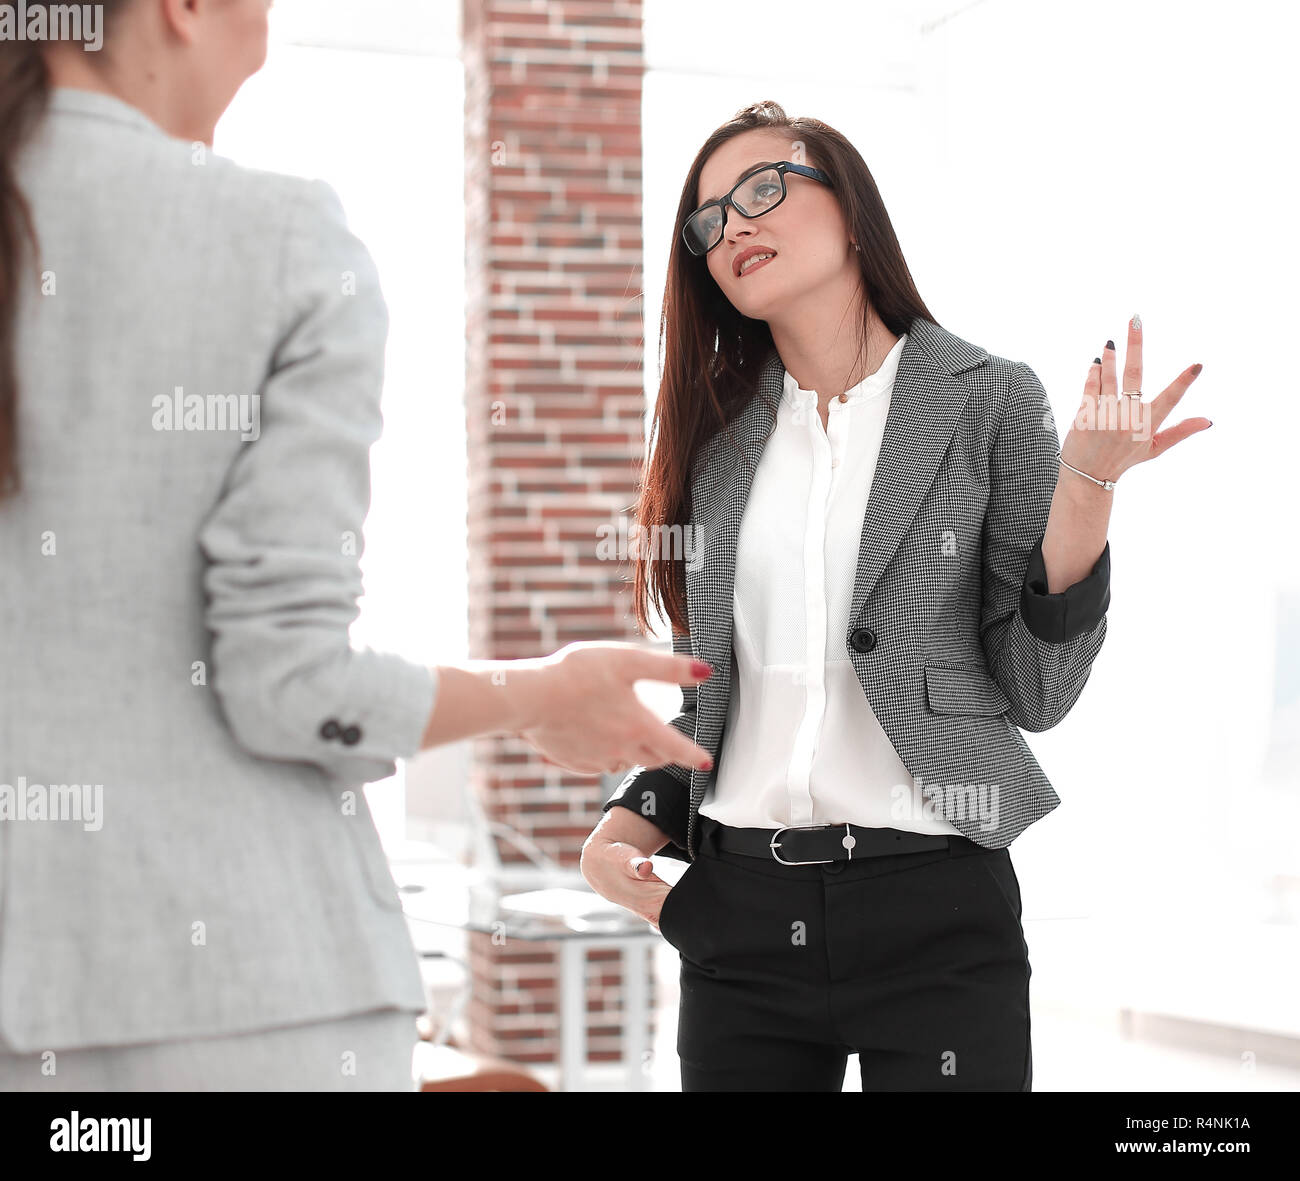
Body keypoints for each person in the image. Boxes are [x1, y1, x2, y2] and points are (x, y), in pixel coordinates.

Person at [0, 0, 713, 1091]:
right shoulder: (278, 240)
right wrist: (540, 690)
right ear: (183, 10)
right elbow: (284, 681)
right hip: (246, 988)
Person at [581, 100, 1211, 1091]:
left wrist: (1086, 484)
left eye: (762, 188)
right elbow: (716, 691)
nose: (732, 225)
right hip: (739, 915)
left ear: (850, 206)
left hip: (936, 913)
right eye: (707, 221)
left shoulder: (987, 397)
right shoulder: (717, 443)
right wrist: (630, 819)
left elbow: (1034, 689)